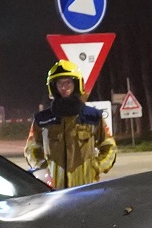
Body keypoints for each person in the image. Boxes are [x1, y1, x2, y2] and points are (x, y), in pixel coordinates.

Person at [25, 61, 117, 189]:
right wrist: (43, 169)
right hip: (54, 188)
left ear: (76, 84)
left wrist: (96, 167)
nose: (64, 87)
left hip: (86, 186)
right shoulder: (42, 119)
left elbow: (109, 147)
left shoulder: (93, 116)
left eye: (68, 82)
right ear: (53, 86)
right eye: (59, 83)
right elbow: (31, 149)